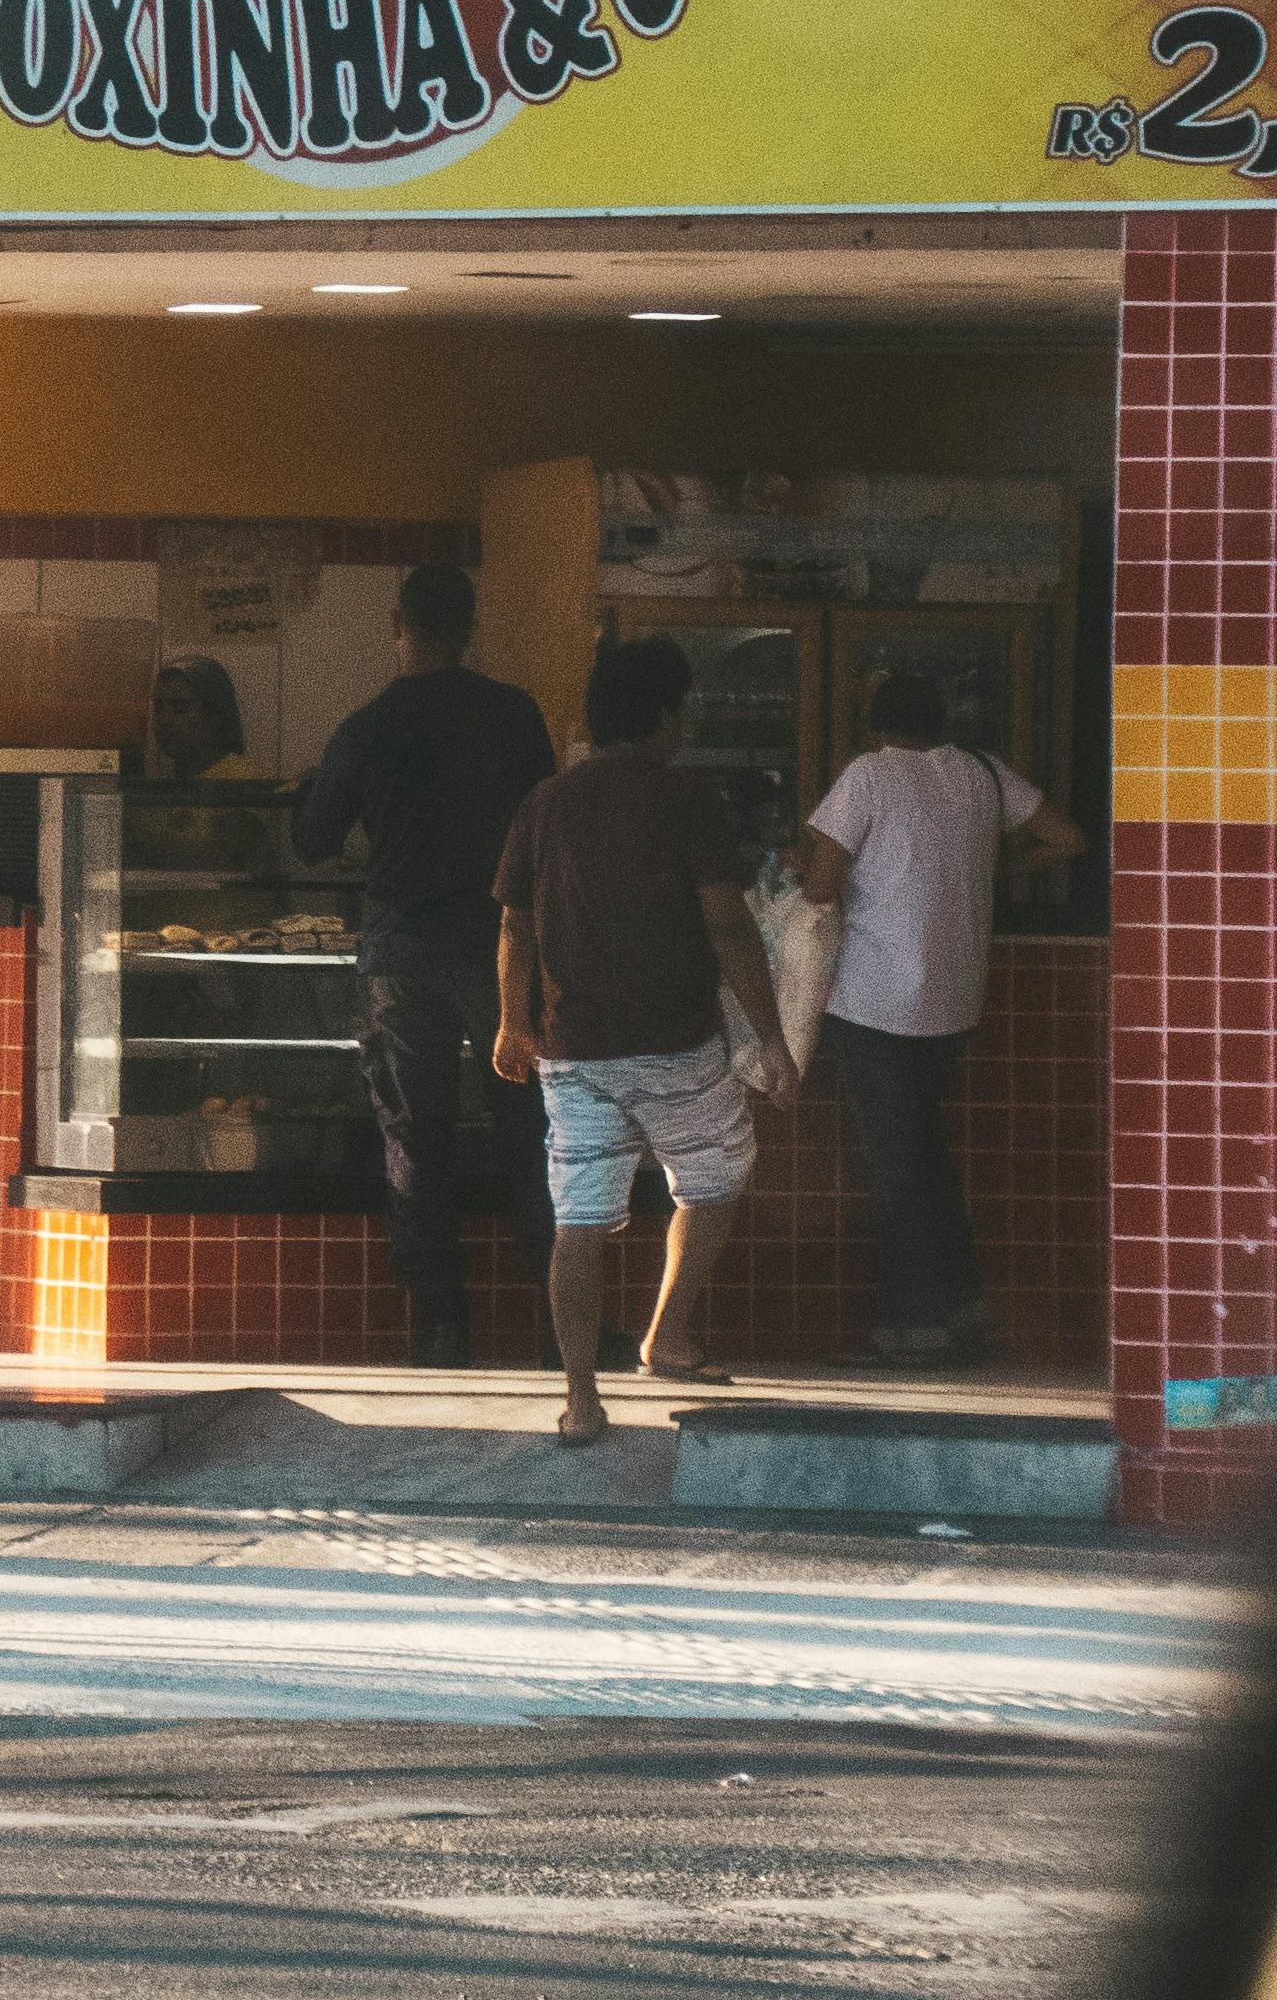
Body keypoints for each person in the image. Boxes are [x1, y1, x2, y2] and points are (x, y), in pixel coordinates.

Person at [493, 634, 797, 1443]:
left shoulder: (545, 802)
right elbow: (729, 925)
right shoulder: (686, 798)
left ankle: (582, 1400)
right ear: (666, 714)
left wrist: (513, 1022)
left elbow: (516, 927)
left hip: (571, 1051)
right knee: (715, 1174)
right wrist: (772, 1038)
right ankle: (667, 1333)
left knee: (579, 1220)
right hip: (673, 1043)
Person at [292, 562, 559, 1367]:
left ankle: (441, 1324)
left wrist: (316, 793)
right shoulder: (514, 715)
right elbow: (545, 825)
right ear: (470, 626)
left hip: (403, 954)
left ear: (396, 623)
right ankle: (558, 1323)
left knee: (416, 1136)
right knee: (531, 1132)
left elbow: (311, 842)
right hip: (501, 948)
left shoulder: (368, 724)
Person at [802, 666, 1086, 1368]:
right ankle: (964, 1312)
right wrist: (993, 868)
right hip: (955, 1001)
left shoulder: (869, 775)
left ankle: (910, 1330)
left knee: (898, 1171)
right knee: (927, 1160)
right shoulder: (984, 775)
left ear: (877, 723)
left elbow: (818, 885)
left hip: (876, 1005)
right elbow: (1068, 838)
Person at [150, 654, 251, 778]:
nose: (163, 719)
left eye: (180, 708)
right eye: (158, 708)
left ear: (215, 715)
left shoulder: (239, 785)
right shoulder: (178, 780)